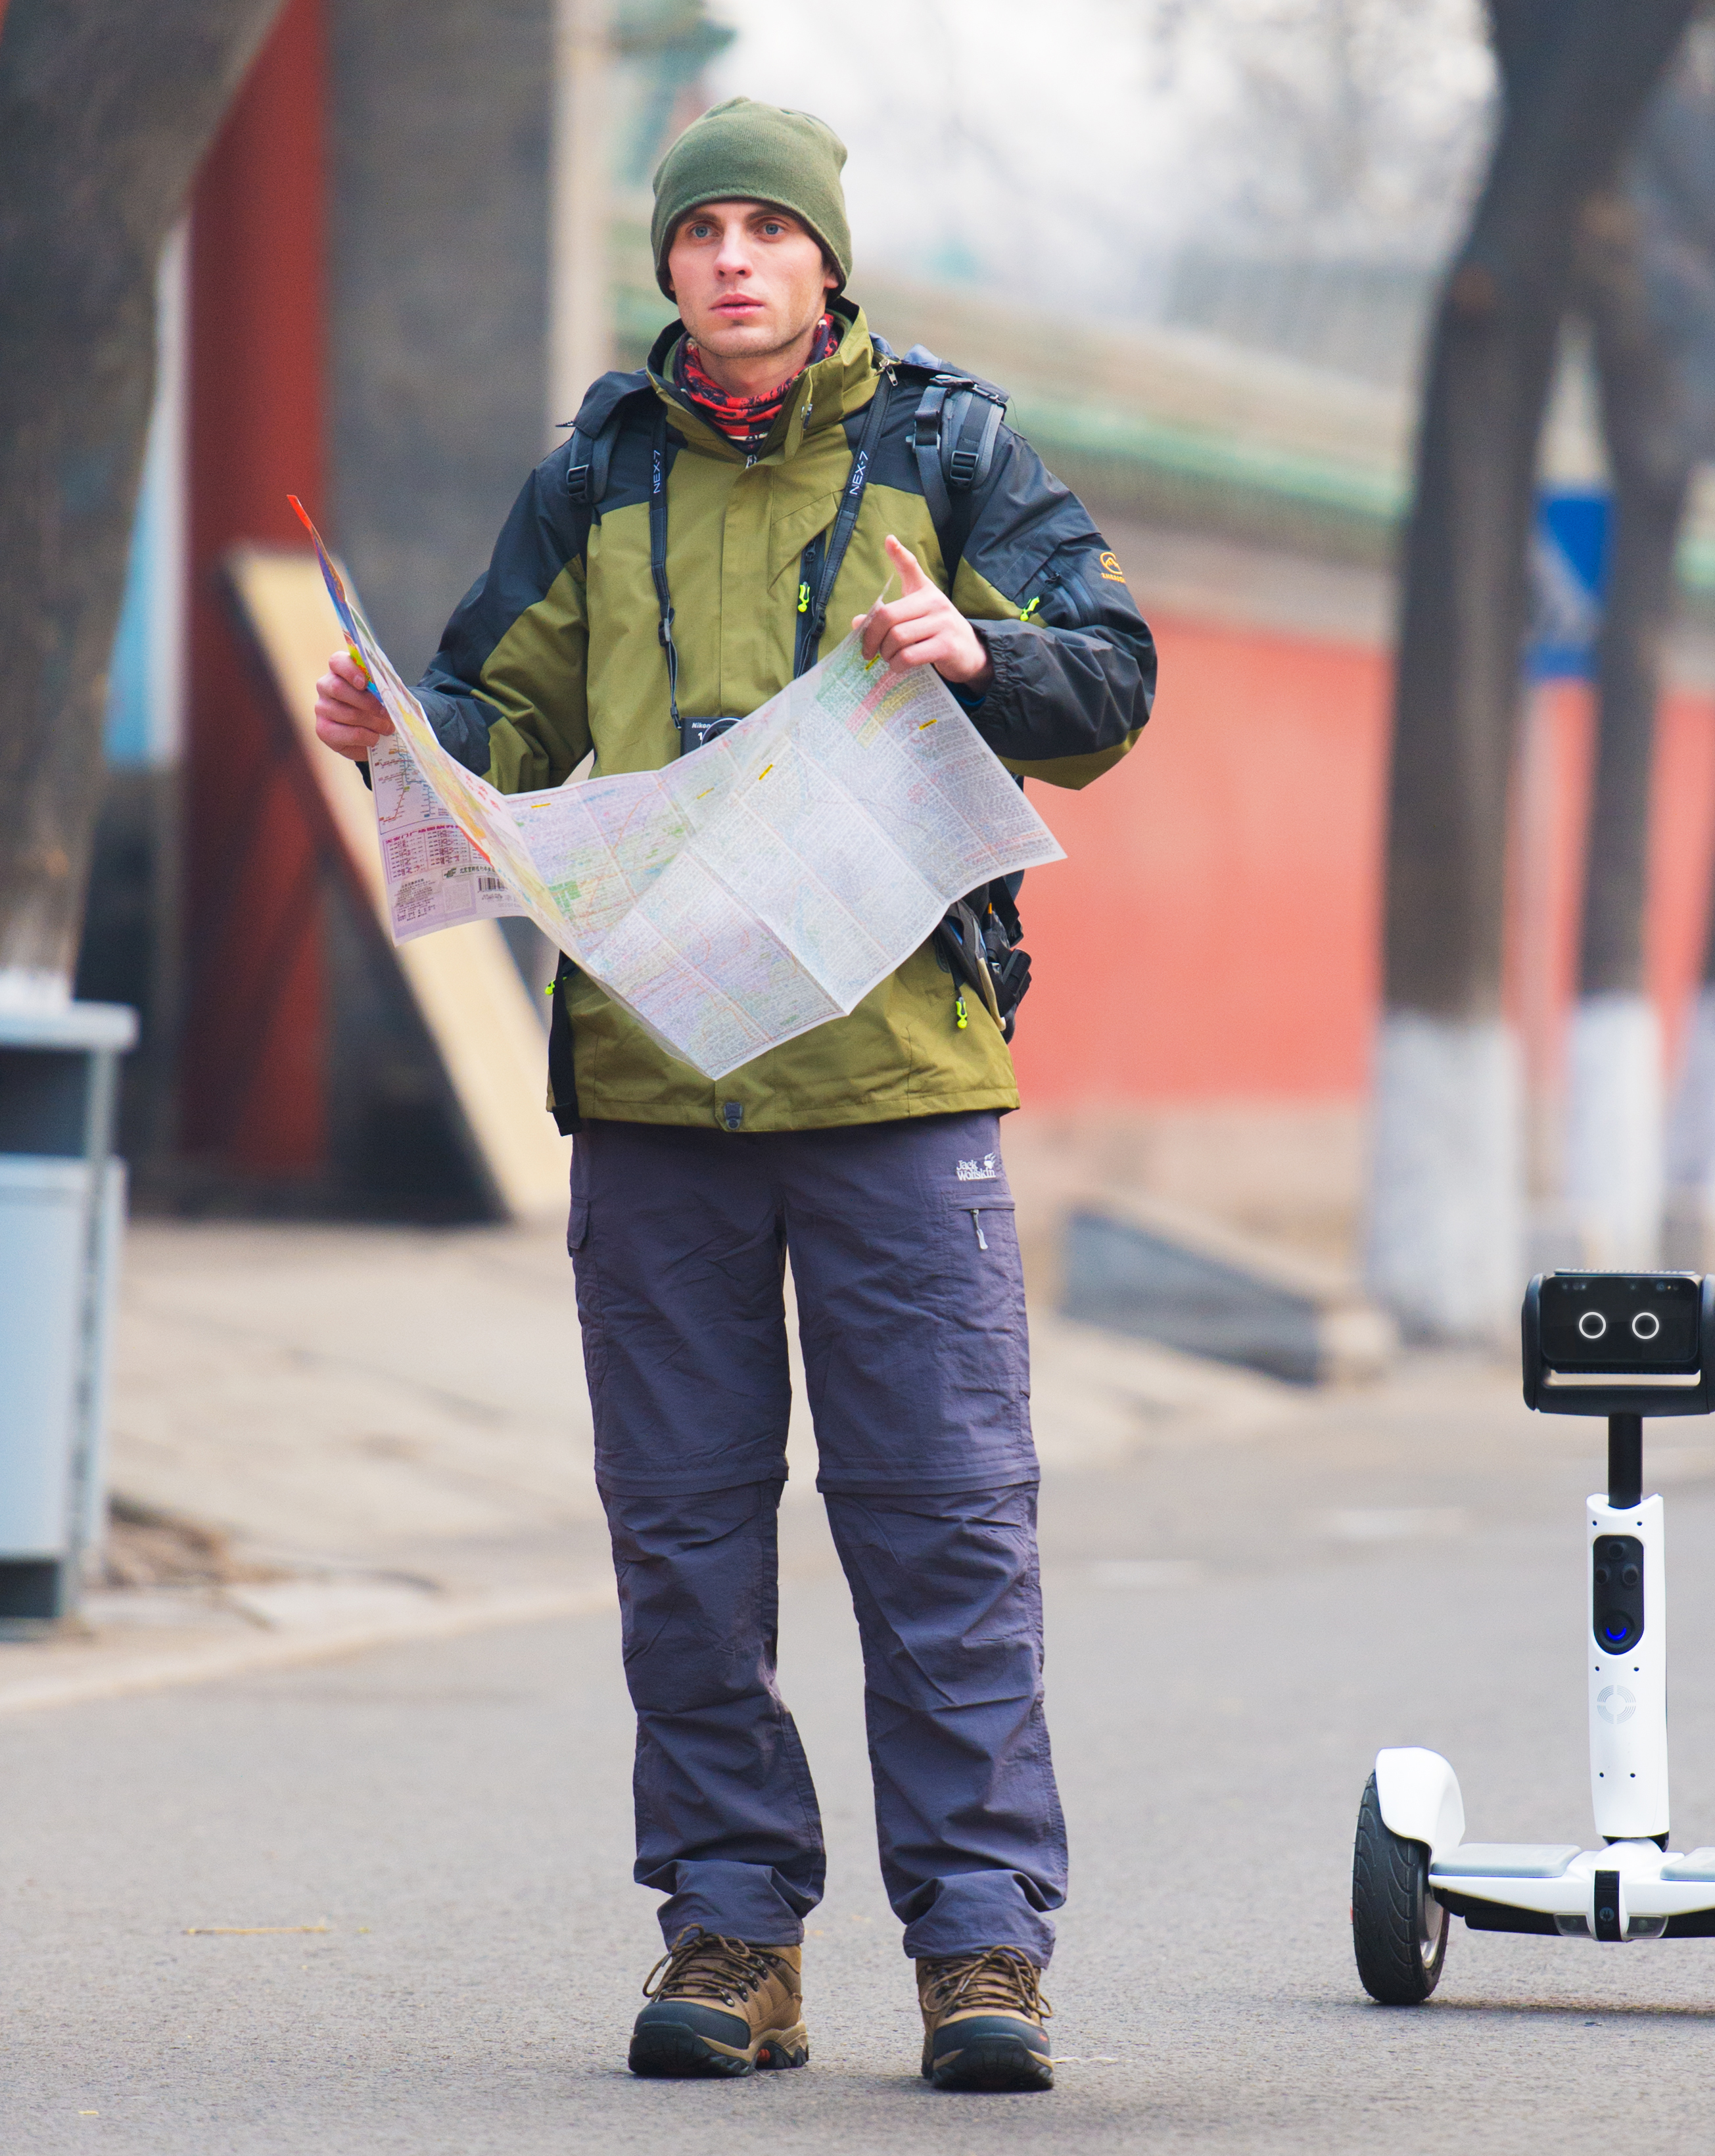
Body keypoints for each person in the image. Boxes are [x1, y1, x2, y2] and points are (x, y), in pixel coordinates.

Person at [313, 98, 1154, 2093]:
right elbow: (483, 708)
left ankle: (978, 1949)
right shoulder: (592, 472)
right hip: (654, 1096)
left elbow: (1108, 679)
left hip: (897, 1084)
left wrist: (981, 644)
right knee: (683, 1536)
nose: (736, 259)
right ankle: (731, 1929)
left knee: (943, 1528)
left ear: (828, 260)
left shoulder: (949, 451)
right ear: (671, 263)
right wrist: (392, 731)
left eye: (773, 228)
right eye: (705, 231)